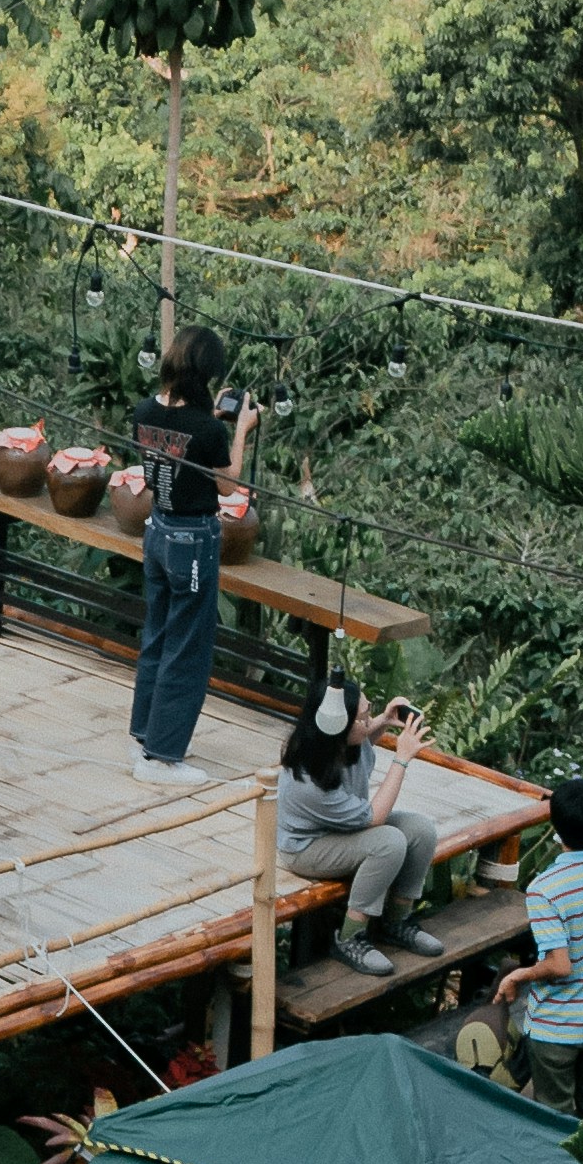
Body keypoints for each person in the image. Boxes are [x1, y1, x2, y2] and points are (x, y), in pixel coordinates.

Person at [126, 326, 254, 771]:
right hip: (193, 542)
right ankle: (161, 758)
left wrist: (213, 421)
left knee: (158, 635)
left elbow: (179, 440)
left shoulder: (144, 411)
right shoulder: (207, 429)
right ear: (204, 374)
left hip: (157, 531)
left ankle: (145, 733)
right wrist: (240, 431)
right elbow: (229, 484)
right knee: (188, 648)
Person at [273, 671, 445, 978]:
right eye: (364, 717)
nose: (369, 720)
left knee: (421, 830)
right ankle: (350, 937)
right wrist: (402, 758)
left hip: (342, 831)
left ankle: (397, 921)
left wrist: (383, 720)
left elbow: (360, 740)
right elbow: (374, 818)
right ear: (340, 726)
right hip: (307, 848)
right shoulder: (308, 780)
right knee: (388, 842)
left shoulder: (334, 742)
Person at [492, 770, 583, 1115]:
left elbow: (560, 966)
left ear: (555, 829)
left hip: (556, 1030)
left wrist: (517, 976)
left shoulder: (546, 888)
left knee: (554, 1119)